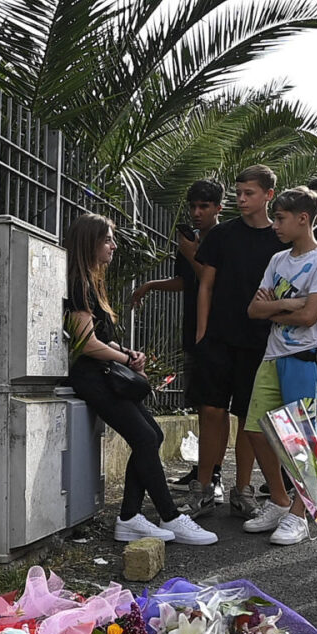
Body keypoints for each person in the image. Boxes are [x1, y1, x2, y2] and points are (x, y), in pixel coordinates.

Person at [63, 212, 220, 547]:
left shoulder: (91, 281)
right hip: (92, 377)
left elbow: (99, 336)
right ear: (90, 242)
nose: (114, 246)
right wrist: (124, 359)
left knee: (153, 434)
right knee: (145, 438)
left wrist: (127, 352)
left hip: (104, 374)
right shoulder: (78, 283)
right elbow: (85, 343)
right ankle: (169, 516)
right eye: (108, 239)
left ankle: (130, 517)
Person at [239, 186, 317, 547]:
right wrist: (292, 305)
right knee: (255, 429)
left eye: (280, 218)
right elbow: (253, 310)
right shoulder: (278, 260)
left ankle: (302, 511)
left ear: (303, 219)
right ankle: (280, 501)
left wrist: (280, 307)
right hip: (272, 355)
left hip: (305, 358)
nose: (275, 225)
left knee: (301, 440)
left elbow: (311, 316)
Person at [193, 165, 285, 517]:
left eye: (249, 193)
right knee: (211, 411)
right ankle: (202, 486)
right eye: (238, 192)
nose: (241, 199)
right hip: (217, 337)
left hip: (261, 342)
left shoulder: (280, 239)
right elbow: (206, 285)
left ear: (268, 195)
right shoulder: (221, 235)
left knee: (249, 418)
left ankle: (242, 488)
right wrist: (202, 334)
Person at [134, 180, 225, 494]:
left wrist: (191, 254)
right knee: (200, 405)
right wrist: (150, 285)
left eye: (204, 206)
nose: (197, 213)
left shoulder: (222, 239)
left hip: (216, 334)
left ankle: (213, 475)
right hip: (192, 333)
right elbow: (185, 282)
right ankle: (203, 469)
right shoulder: (191, 240)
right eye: (193, 207)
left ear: (218, 208)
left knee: (214, 407)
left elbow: (210, 282)